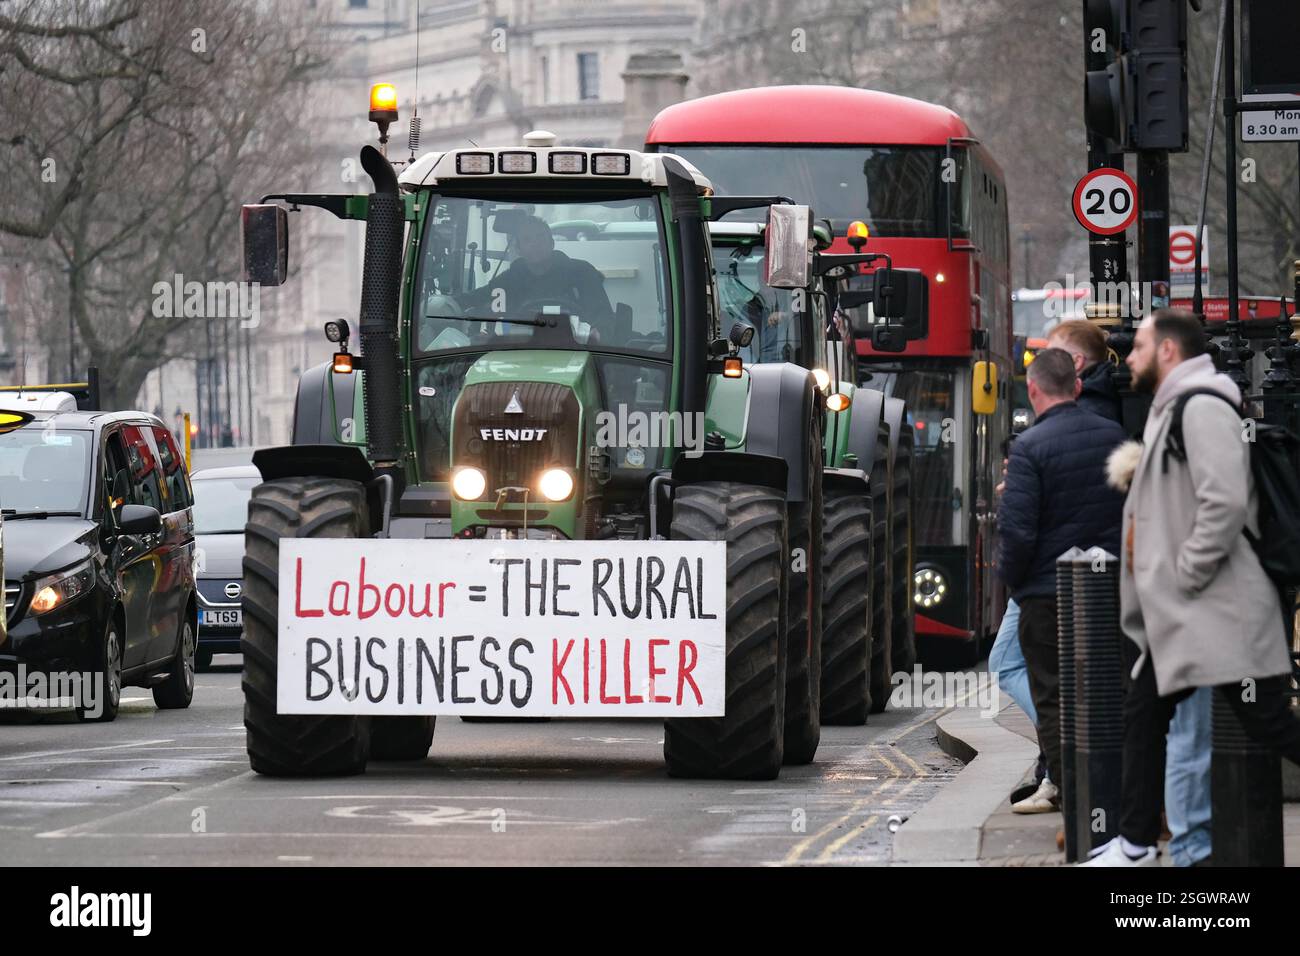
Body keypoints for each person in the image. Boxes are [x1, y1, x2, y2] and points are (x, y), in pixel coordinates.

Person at [1083, 309, 1300, 866]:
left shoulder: (1202, 407)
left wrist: (1185, 575)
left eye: (1139, 348)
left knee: (1270, 722)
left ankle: (1132, 846)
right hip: (1194, 616)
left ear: (1169, 353)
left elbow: (1223, 502)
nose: (1128, 358)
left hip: (1218, 609)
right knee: (1145, 715)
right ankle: (1132, 845)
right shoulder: (1177, 407)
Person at [996, 348, 1127, 814]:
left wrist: (1015, 584)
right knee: (1104, 693)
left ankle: (1075, 799)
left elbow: (1017, 530)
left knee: (1052, 697)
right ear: (1075, 386)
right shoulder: (1114, 435)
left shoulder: (1030, 446)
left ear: (1033, 389)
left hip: (1047, 594)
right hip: (1108, 589)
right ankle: (1111, 795)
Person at [464, 215, 614, 331]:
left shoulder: (582, 273)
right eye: (527, 239)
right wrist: (448, 304)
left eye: (540, 237)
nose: (535, 244)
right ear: (518, 249)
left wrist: (598, 334)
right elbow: (481, 296)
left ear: (552, 243)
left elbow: (602, 316)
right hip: (518, 353)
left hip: (578, 350)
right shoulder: (509, 279)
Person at [1046, 318, 1121, 422]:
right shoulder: (1102, 391)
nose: (1046, 363)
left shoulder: (1081, 410)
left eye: (1053, 356)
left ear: (1077, 362)